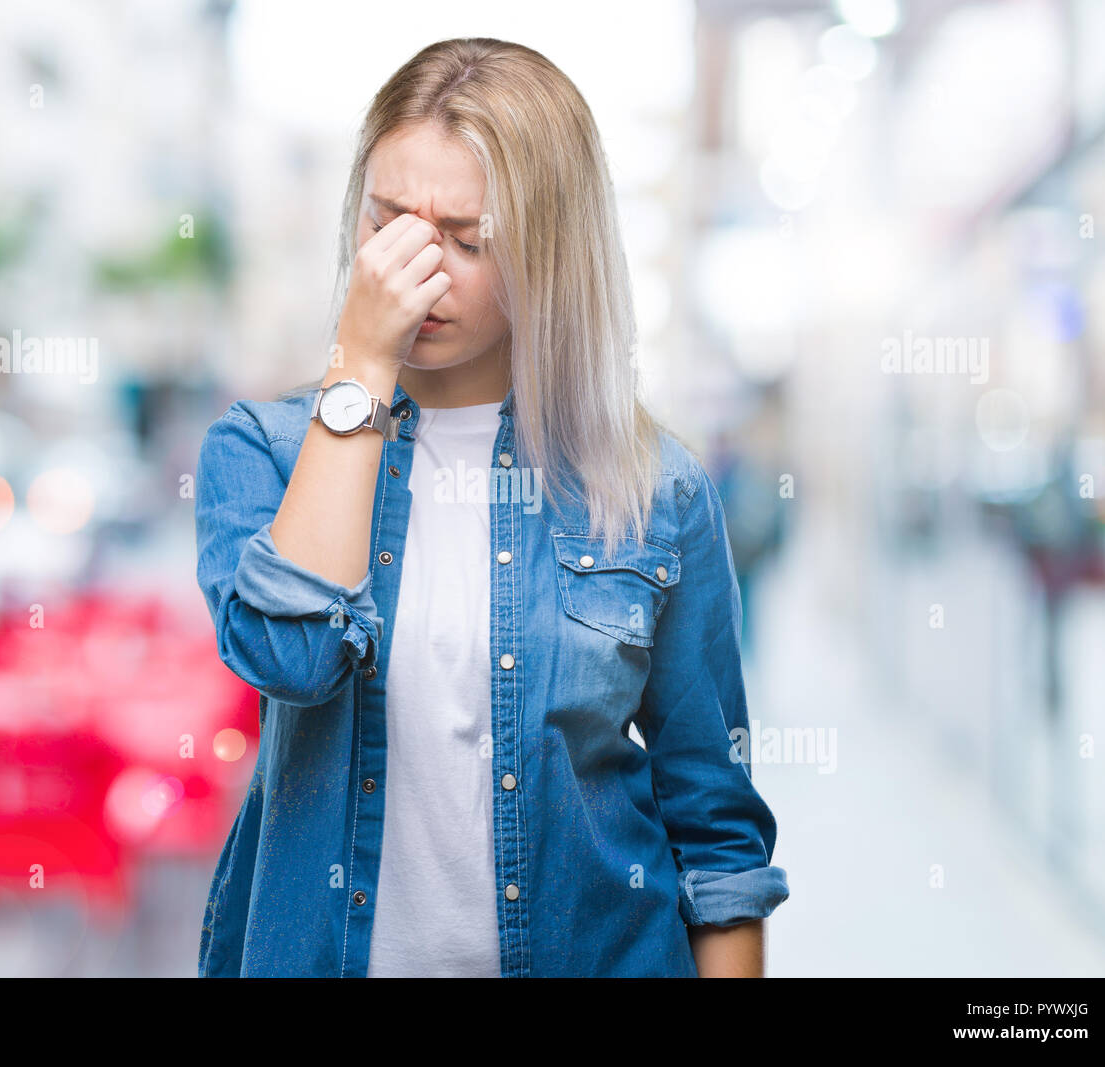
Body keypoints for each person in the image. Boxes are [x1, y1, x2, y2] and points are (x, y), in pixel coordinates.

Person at [193, 37, 789, 978]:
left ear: (550, 251)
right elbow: (293, 658)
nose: (415, 270)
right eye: (388, 221)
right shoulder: (262, 452)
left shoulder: (652, 486)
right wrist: (357, 369)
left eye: (469, 241)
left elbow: (715, 830)